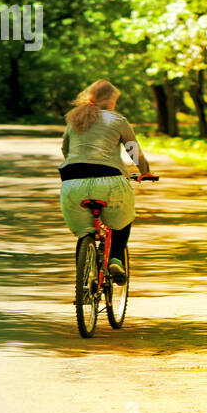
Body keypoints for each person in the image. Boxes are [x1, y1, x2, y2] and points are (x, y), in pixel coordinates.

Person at [58, 79, 152, 282]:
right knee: (123, 219)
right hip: (109, 181)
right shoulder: (117, 120)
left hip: (72, 183)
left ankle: (84, 272)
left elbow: (65, 150)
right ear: (111, 101)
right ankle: (115, 258)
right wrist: (145, 172)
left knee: (85, 231)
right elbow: (133, 150)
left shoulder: (73, 120)